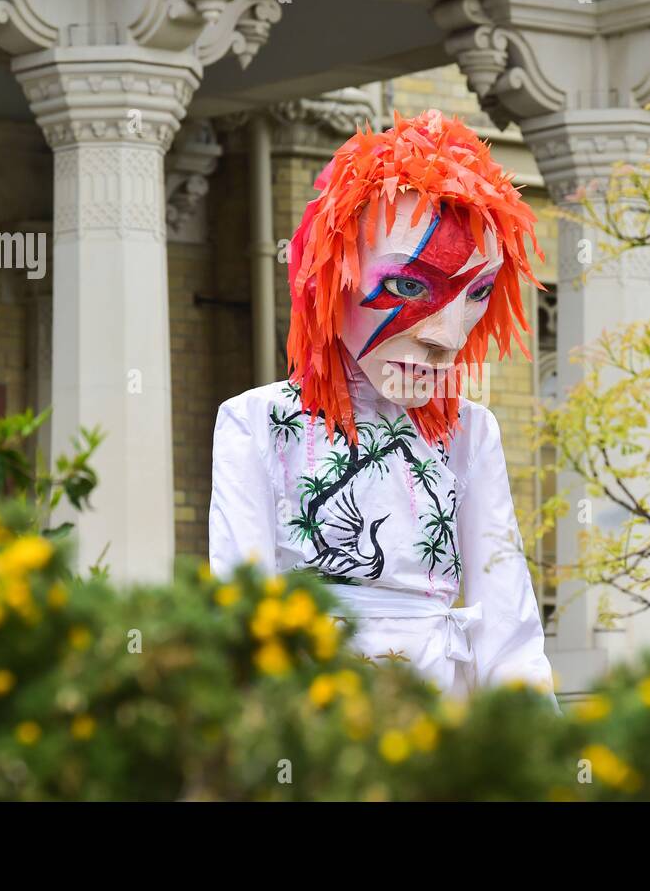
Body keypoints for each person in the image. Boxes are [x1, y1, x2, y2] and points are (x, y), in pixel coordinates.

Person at [209, 109, 558, 709]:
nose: (448, 336)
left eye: (477, 293)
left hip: (439, 724)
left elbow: (508, 627)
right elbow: (240, 616)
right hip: (308, 719)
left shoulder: (469, 433)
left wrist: (542, 750)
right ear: (329, 275)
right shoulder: (257, 424)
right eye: (408, 285)